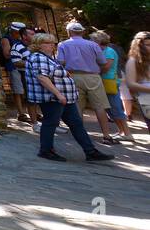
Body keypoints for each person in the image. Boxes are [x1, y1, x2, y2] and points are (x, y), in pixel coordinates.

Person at [25, 32, 112, 163]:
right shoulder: (38, 57)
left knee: (76, 123)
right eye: (48, 43)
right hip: (53, 98)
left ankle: (90, 151)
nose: (52, 45)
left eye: (52, 43)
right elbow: (42, 77)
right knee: (51, 122)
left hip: (63, 98)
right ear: (39, 45)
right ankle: (46, 150)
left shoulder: (47, 57)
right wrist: (58, 94)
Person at [56, 21, 121, 147]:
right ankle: (106, 136)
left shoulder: (62, 45)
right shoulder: (92, 45)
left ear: (69, 32)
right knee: (100, 106)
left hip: (73, 76)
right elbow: (102, 61)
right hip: (93, 77)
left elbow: (61, 62)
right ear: (82, 32)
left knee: (77, 107)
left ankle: (81, 136)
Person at [91, 30, 131, 140]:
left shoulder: (108, 51)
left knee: (116, 107)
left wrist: (92, 70)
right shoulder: (102, 50)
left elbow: (106, 67)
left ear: (98, 40)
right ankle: (121, 131)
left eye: (93, 40)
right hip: (105, 82)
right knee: (110, 109)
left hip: (110, 82)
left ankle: (127, 134)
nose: (91, 42)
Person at [1, 22, 32, 125]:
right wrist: (17, 53)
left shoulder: (21, 41)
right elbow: (6, 54)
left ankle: (32, 113)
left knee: (28, 89)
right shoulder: (6, 39)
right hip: (13, 67)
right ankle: (21, 113)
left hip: (24, 68)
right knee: (18, 90)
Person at [125, 32, 150, 135]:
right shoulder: (133, 61)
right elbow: (131, 84)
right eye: (148, 45)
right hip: (146, 100)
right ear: (139, 45)